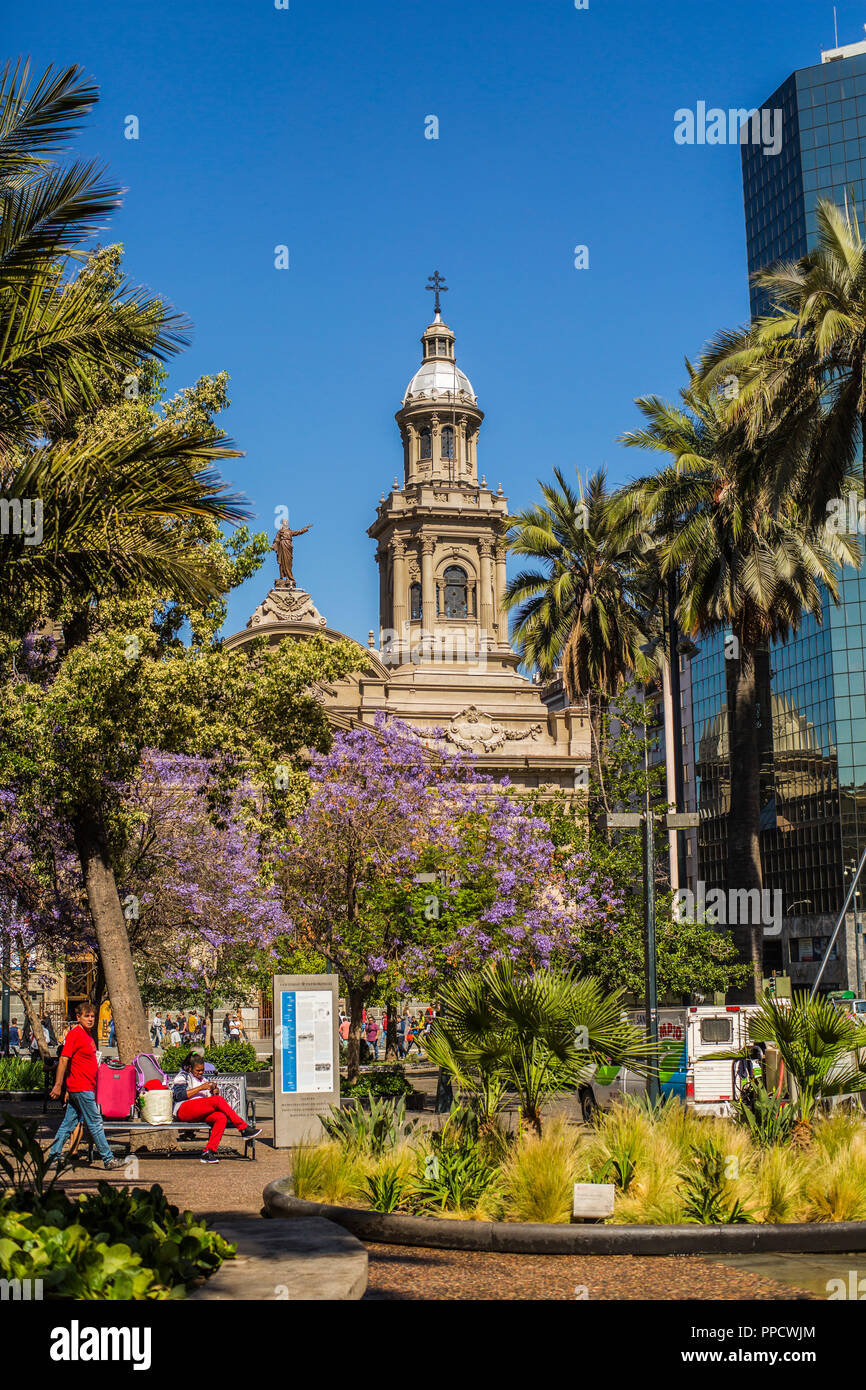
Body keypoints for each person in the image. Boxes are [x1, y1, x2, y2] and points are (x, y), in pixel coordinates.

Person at [46, 1002, 126, 1170]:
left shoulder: (88, 1035)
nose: (90, 1019)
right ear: (78, 1017)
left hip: (83, 1087)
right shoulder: (75, 1034)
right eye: (86, 1016)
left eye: (92, 1016)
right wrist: (59, 1085)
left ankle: (53, 1156)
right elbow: (63, 1059)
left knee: (68, 1124)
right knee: (95, 1122)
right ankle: (108, 1158)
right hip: (81, 1087)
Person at [171, 1053, 261, 1164]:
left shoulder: (204, 1079)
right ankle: (243, 1128)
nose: (200, 1073)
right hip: (184, 1109)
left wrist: (213, 1092)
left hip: (199, 1113)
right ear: (190, 1068)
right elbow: (179, 1095)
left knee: (221, 1117)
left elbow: (208, 1101)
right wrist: (201, 1088)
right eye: (197, 1070)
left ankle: (208, 1152)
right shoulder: (183, 1076)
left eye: (202, 1070)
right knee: (217, 1100)